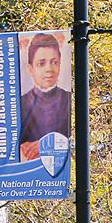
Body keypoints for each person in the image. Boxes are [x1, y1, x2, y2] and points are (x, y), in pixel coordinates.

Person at [19, 32, 71, 162]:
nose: (49, 69)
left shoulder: (69, 100)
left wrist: (45, 147)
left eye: (54, 62)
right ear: (30, 69)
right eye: (41, 64)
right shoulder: (19, 104)